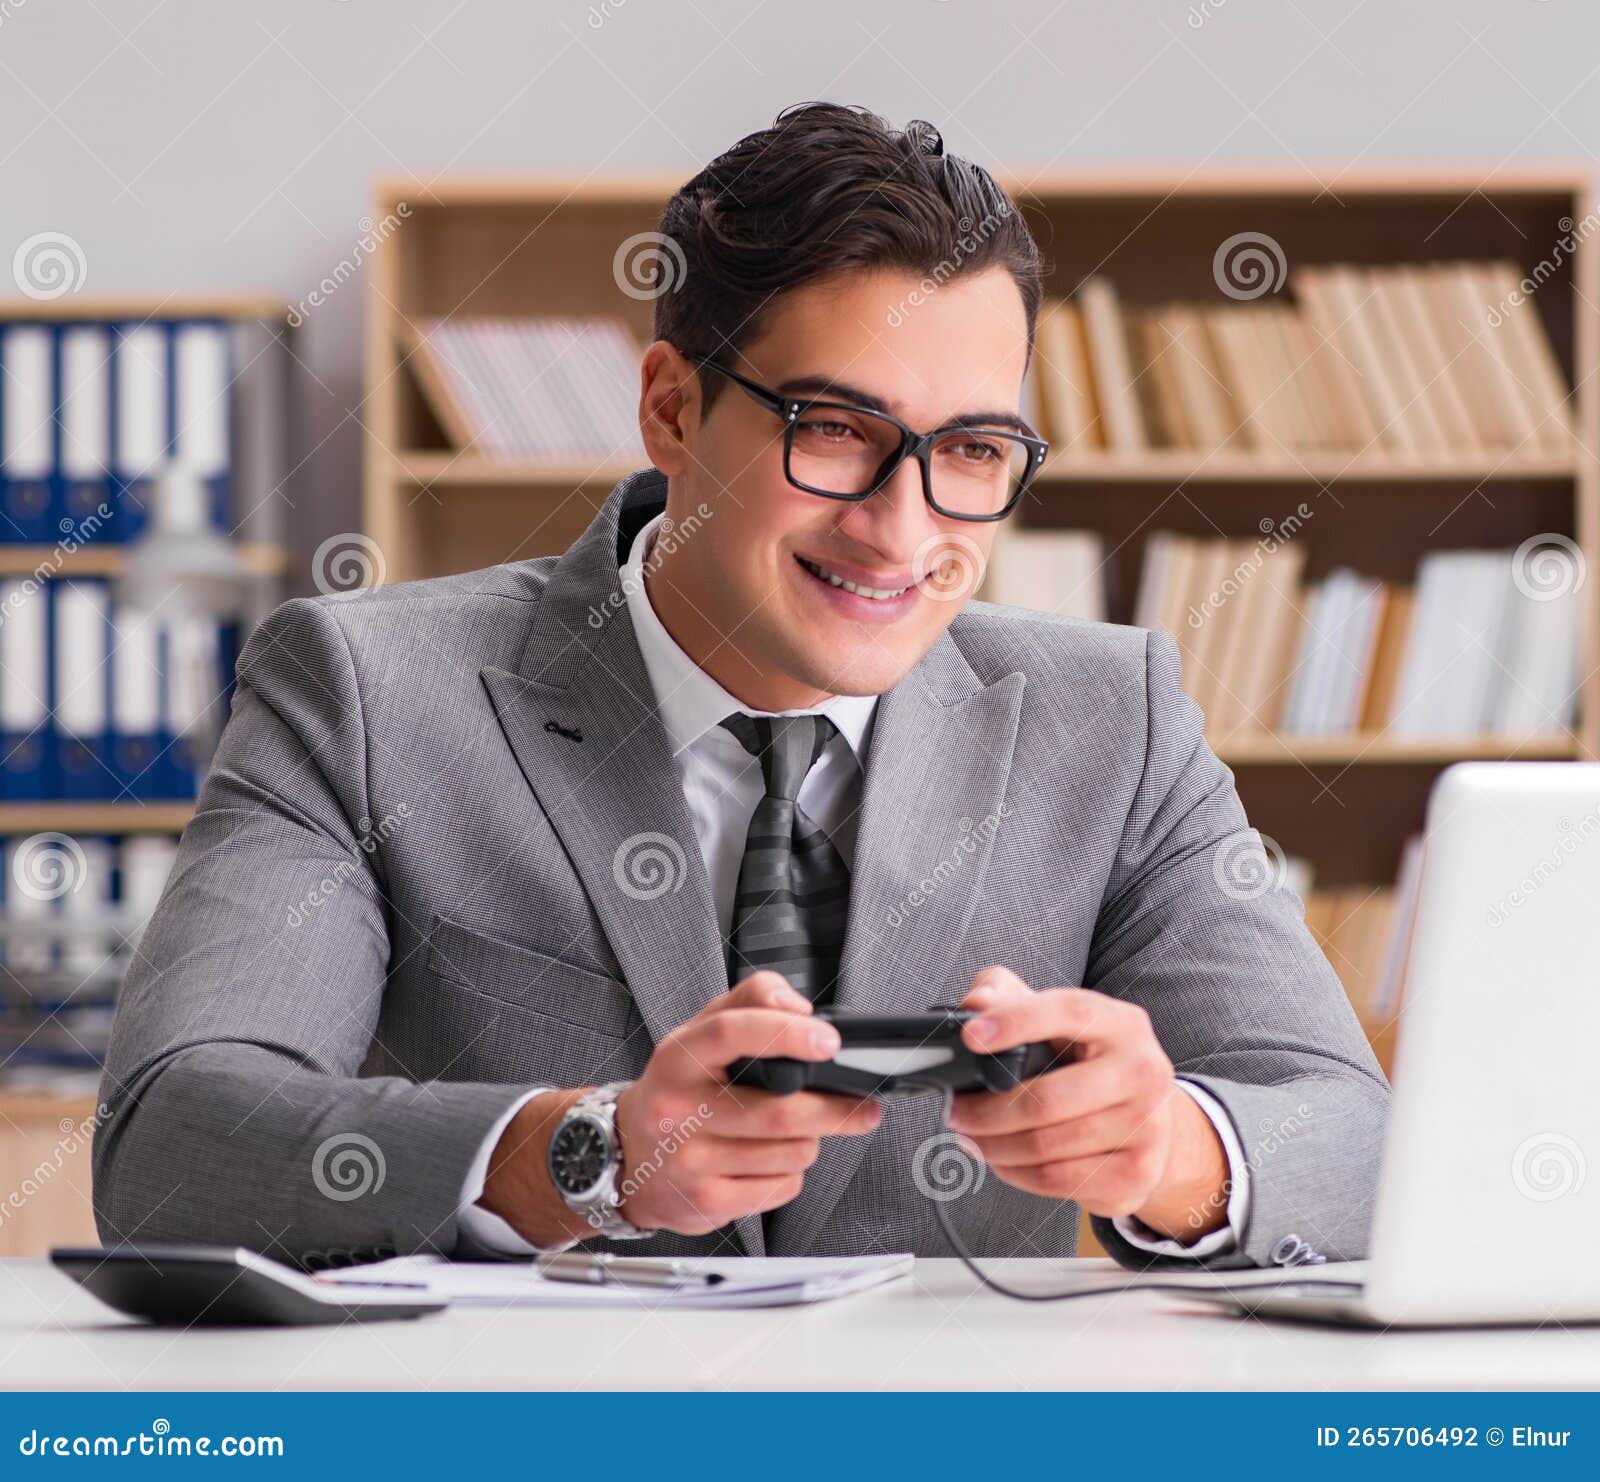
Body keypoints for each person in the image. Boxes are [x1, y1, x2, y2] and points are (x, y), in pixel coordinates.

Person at [93, 102, 1387, 1272]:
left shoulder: (1114, 719)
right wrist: (583, 1154)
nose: (901, 527)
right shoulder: (366, 692)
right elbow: (173, 1142)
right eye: (834, 431)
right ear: (669, 407)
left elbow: (1360, 1147)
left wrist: (1168, 1151)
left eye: (974, 449)